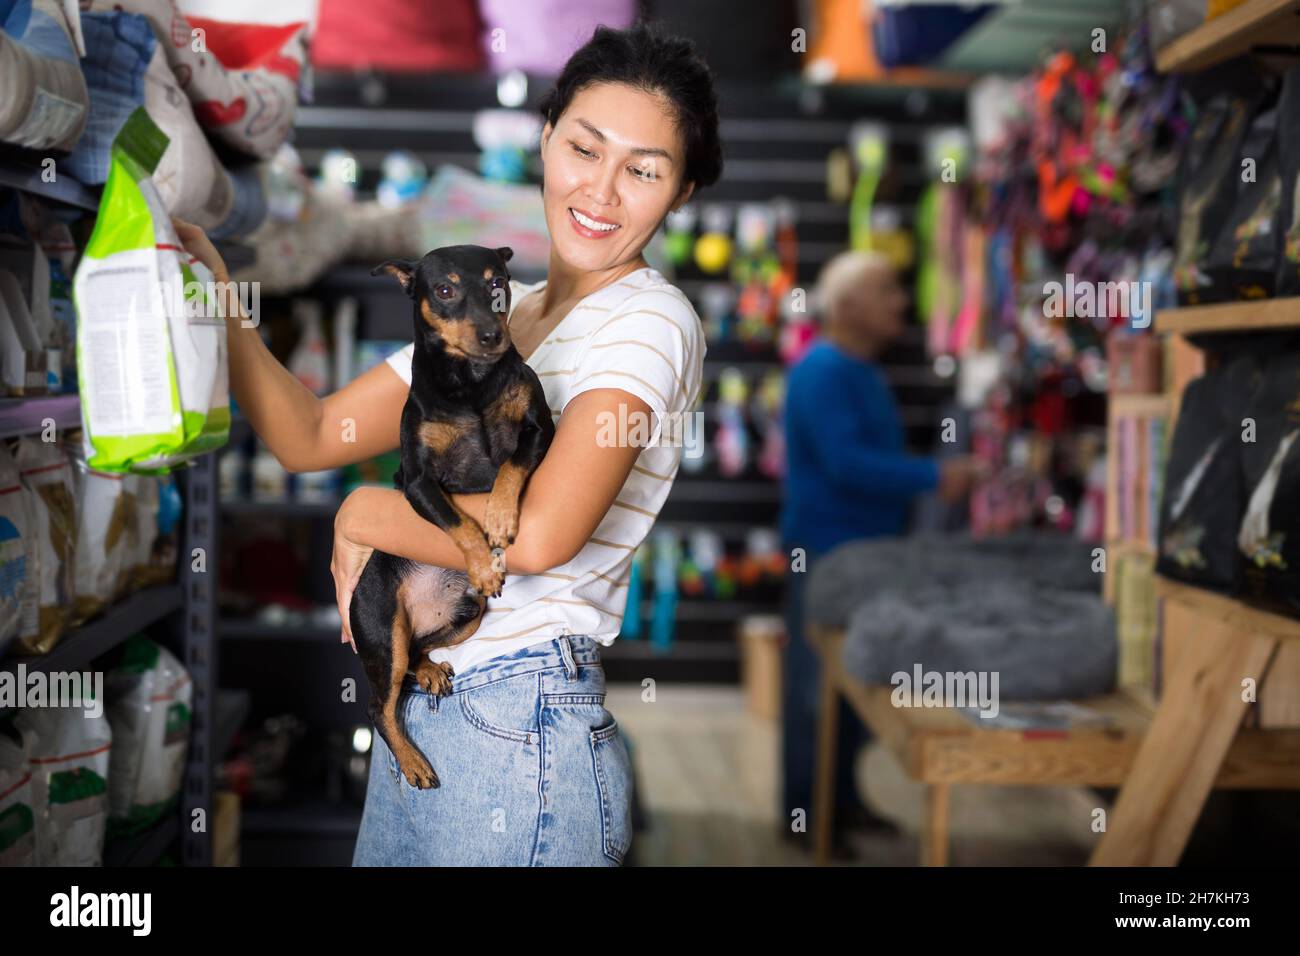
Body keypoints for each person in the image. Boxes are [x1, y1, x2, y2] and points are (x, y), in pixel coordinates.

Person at [176, 22, 721, 866]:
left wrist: (364, 513)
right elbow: (309, 432)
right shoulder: (493, 314)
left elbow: (534, 537)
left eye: (644, 171)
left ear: (680, 194)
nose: (602, 190)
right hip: (429, 706)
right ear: (545, 137)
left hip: (524, 730)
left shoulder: (649, 319)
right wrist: (219, 292)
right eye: (584, 147)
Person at [778, 250, 977, 854]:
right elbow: (845, 465)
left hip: (862, 554)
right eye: (888, 291)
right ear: (850, 306)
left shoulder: (857, 369)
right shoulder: (825, 371)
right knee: (817, 689)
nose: (901, 303)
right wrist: (932, 477)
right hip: (830, 554)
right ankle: (808, 815)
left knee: (852, 686)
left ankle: (840, 802)